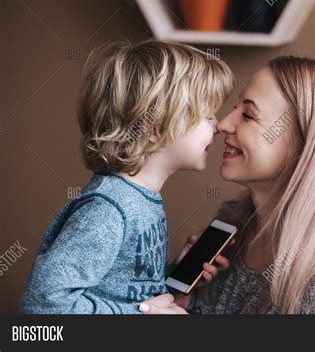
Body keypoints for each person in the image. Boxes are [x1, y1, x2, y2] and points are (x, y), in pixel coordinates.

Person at [141, 56, 315, 314]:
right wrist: (184, 299)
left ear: (306, 145)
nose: (224, 124)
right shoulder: (231, 221)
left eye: (248, 115)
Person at [20, 40, 234, 314]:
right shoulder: (108, 210)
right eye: (208, 116)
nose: (217, 127)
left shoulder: (141, 199)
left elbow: (123, 289)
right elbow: (43, 305)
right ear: (155, 129)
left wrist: (171, 278)